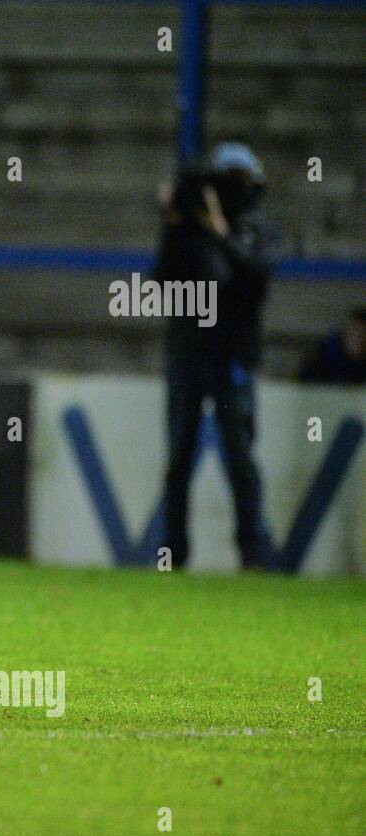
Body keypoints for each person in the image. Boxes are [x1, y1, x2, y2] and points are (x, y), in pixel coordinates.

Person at [158, 141, 281, 570]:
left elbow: (254, 275)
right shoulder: (190, 230)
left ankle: (254, 552)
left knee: (241, 460)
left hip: (233, 357)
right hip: (188, 356)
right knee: (178, 461)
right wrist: (173, 222)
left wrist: (219, 231)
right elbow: (163, 282)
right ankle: (172, 552)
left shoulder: (257, 229)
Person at [299, 307, 366, 385]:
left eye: (363, 337)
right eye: (357, 335)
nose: (360, 341)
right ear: (346, 333)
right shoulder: (321, 355)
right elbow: (306, 387)